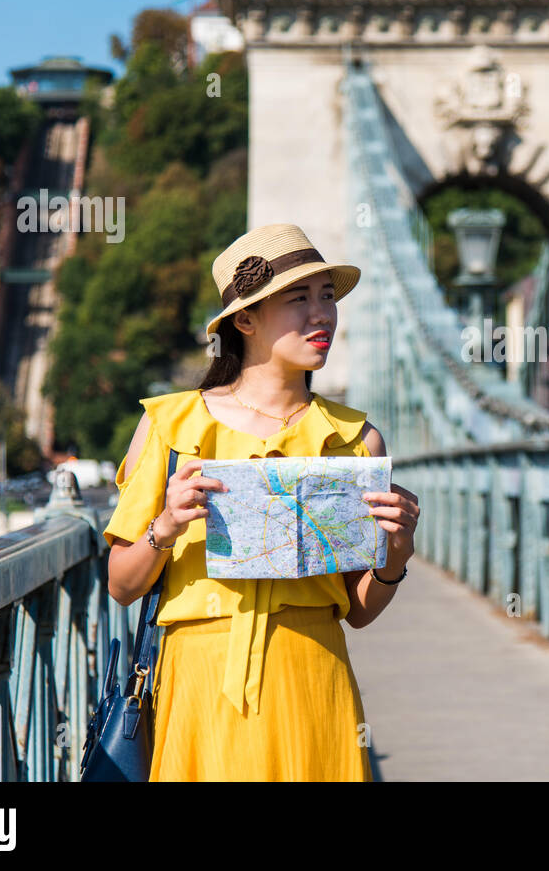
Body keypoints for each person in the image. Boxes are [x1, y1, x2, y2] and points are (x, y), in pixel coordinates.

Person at [102, 223, 421, 781]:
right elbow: (122, 585)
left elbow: (360, 611)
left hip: (312, 678)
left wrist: (397, 552)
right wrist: (166, 526)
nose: (322, 315)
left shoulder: (354, 440)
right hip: (199, 684)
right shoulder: (171, 426)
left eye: (328, 297)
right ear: (243, 320)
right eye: (299, 299)